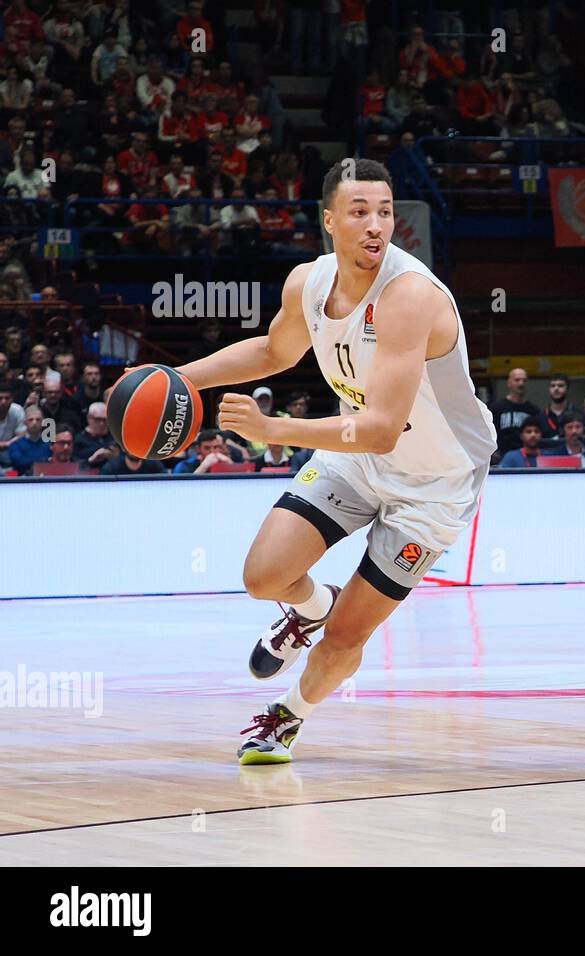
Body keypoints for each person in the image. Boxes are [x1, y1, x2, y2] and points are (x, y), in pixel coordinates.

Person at [157, 159, 494, 764]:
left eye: (385, 212)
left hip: (434, 482)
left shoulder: (408, 296)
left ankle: (286, 718)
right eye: (360, 212)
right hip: (353, 460)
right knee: (263, 576)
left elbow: (383, 429)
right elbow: (271, 350)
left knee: (348, 635)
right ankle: (311, 606)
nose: (375, 226)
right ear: (329, 221)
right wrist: (176, 378)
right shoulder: (308, 283)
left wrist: (271, 430)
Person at [489, 367, 540, 458]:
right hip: (500, 457)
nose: (521, 383)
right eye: (517, 380)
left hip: (526, 458)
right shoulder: (496, 408)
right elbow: (488, 433)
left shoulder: (533, 410)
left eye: (524, 380)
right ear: (509, 383)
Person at [538, 373, 574, 444]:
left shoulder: (579, 415)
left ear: (567, 389)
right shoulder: (540, 417)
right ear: (549, 389)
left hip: (571, 454)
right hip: (547, 454)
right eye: (553, 386)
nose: (556, 388)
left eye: (560, 386)